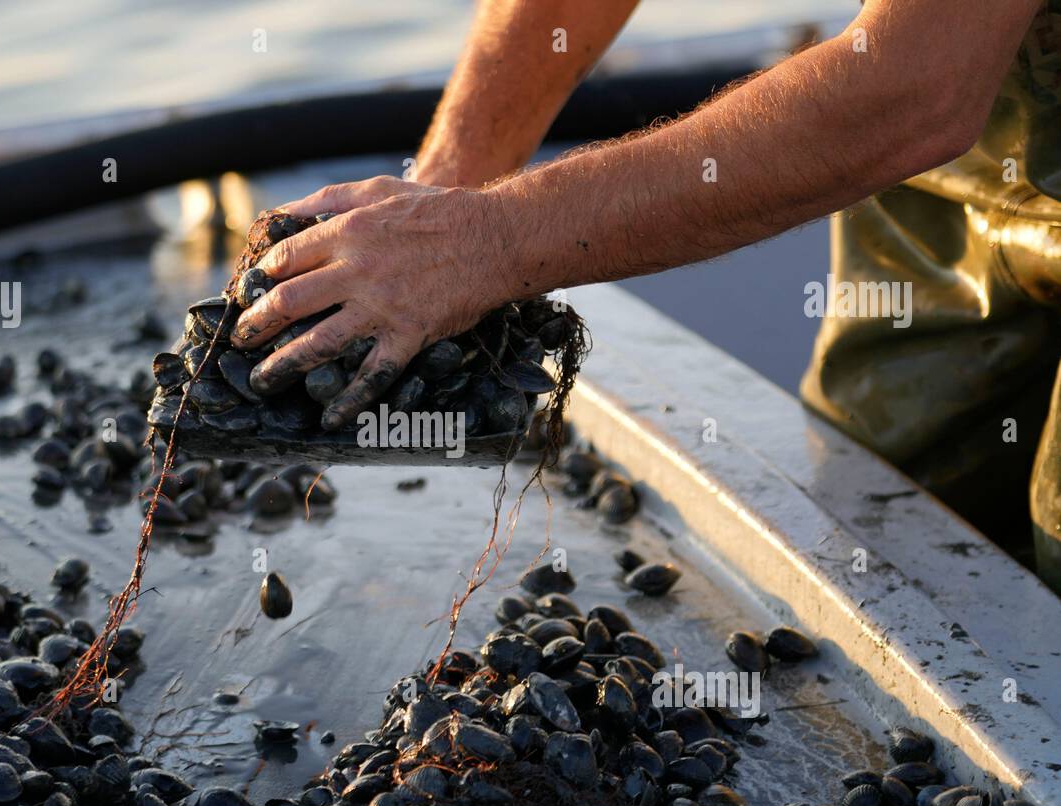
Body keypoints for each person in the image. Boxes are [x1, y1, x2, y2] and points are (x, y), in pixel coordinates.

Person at [229, 0, 1061, 592]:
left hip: (925, 99)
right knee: (878, 543)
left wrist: (489, 242)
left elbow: (912, 89)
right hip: (959, 165)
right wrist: (446, 189)